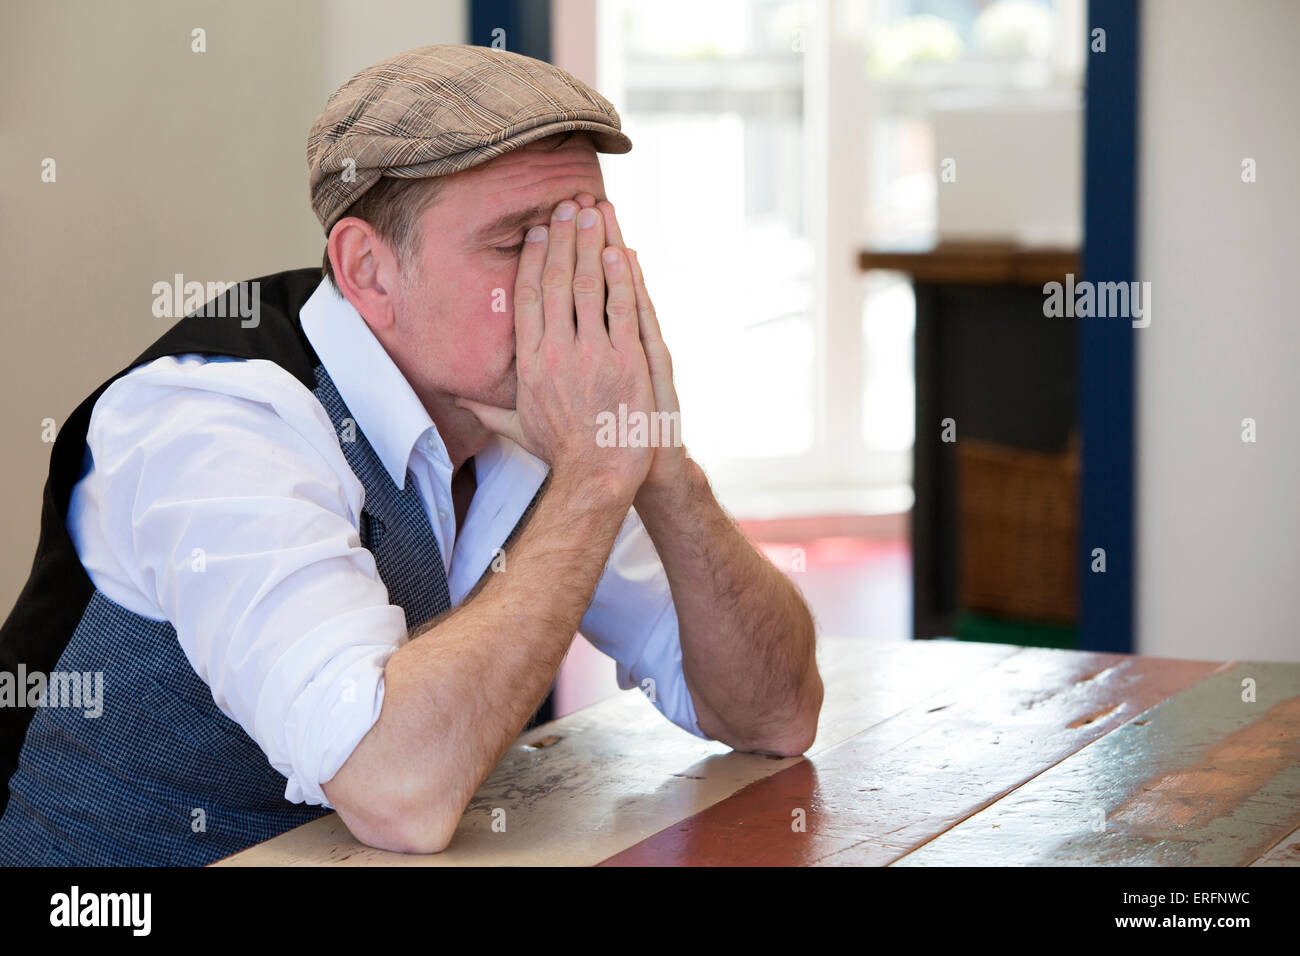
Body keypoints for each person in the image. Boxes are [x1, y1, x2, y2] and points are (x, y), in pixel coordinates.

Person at [0, 43, 822, 865]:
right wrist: (599, 477)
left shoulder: (538, 420)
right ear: (369, 270)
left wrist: (663, 466)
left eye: (584, 238)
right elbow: (401, 793)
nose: (575, 287)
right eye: (516, 245)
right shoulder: (215, 420)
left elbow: (773, 716)